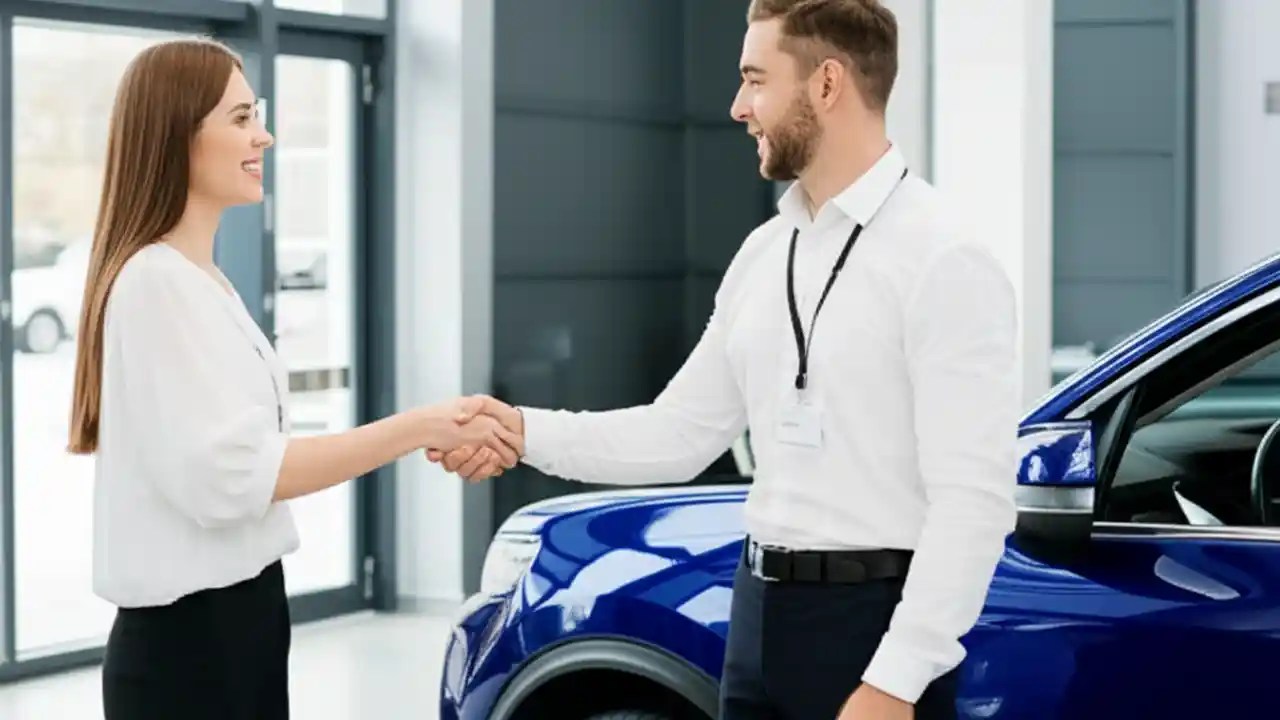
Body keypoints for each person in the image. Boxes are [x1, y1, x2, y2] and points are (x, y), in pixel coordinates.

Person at [431, 1, 1019, 718]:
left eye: (756, 80)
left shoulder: (945, 257)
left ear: (827, 85)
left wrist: (897, 678)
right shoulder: (764, 253)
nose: (740, 107)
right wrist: (520, 430)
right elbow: (679, 432)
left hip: (872, 630)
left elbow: (974, 500)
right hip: (758, 617)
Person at [65, 38, 519, 720]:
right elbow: (244, 476)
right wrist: (421, 426)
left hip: (237, 624)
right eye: (241, 118)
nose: (265, 136)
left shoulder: (199, 280)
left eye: (259, 115)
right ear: (177, 135)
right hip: (192, 648)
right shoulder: (156, 284)